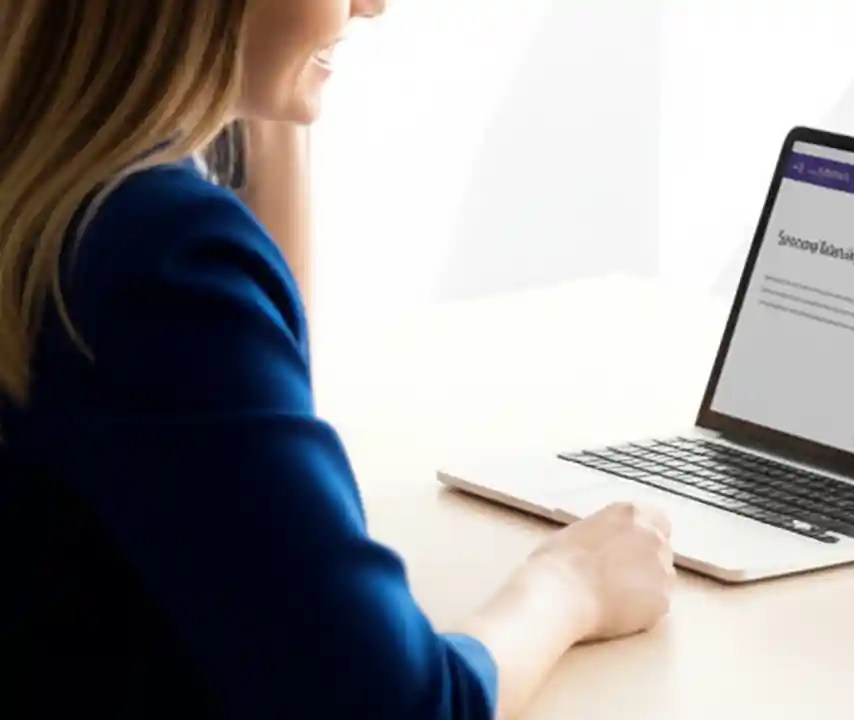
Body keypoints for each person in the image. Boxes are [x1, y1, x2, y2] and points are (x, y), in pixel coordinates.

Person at [0, 2, 675, 718]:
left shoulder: (60, 195)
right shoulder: (162, 256)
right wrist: (567, 585)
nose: (371, 5)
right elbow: (396, 707)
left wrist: (257, 104)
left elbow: (263, 413)